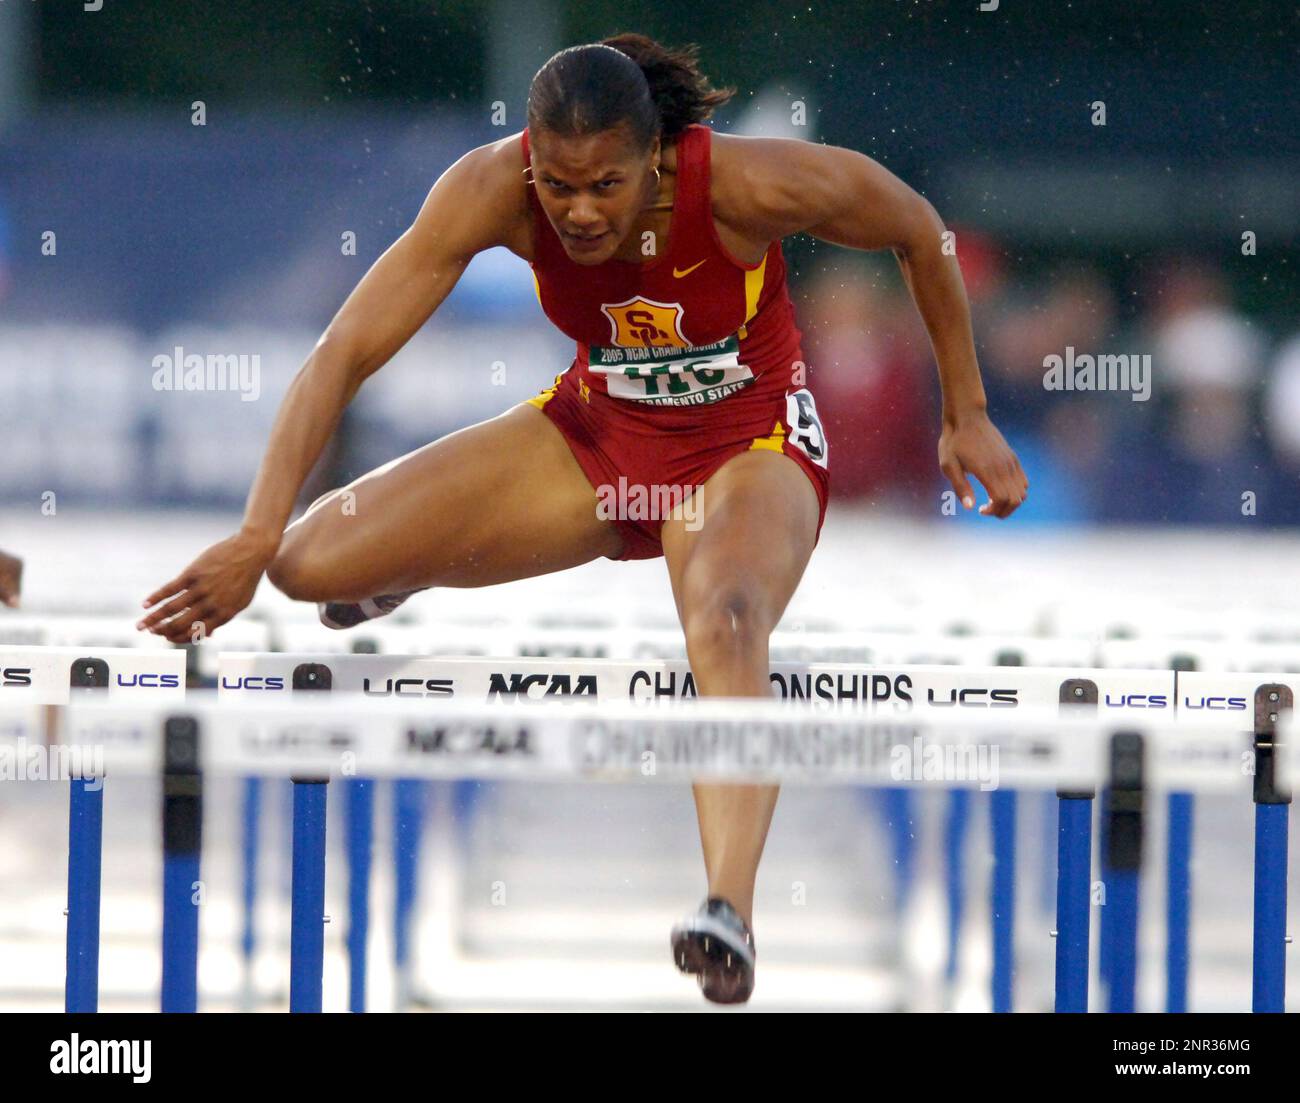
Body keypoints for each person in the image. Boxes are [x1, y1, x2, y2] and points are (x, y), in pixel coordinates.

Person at [139, 33, 1027, 1004]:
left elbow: (916, 228)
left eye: (605, 185)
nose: (578, 211)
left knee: (726, 620)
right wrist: (257, 532)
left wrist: (966, 410)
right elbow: (341, 351)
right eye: (558, 186)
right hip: (597, 433)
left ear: (654, 157)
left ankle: (727, 905)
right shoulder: (491, 188)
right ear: (528, 153)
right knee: (308, 563)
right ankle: (410, 561)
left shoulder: (745, 185)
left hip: (746, 449)